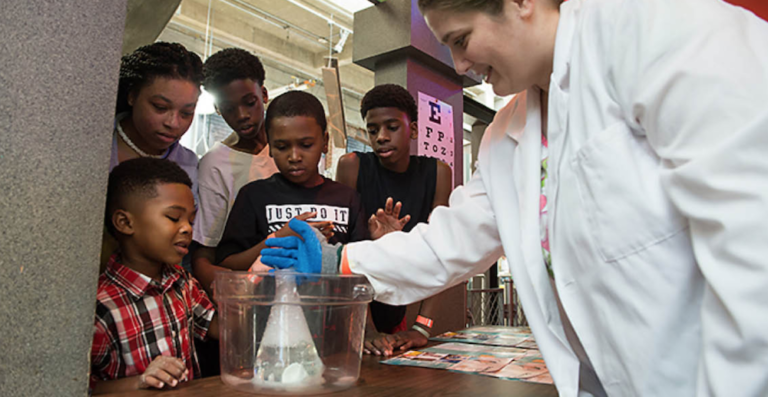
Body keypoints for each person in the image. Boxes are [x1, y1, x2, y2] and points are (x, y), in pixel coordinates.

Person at [260, 0, 768, 396]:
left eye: (462, 39)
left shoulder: (655, 31)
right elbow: (449, 243)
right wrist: (340, 261)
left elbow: (752, 236)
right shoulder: (508, 132)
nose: (459, 64)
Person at [336, 84, 452, 356]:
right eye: (373, 130)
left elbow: (441, 251)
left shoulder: (437, 173)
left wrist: (422, 327)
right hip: (352, 310)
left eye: (391, 127)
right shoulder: (352, 165)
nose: (381, 137)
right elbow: (343, 250)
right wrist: (365, 328)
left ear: (412, 130)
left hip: (398, 307)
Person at [91, 158, 218, 394]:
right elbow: (84, 388)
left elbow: (218, 328)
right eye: (173, 217)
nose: (187, 228)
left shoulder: (182, 282)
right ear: (125, 222)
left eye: (191, 220)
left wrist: (250, 284)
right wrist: (140, 382)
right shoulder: (101, 305)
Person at [215, 90, 367, 271]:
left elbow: (363, 263)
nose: (294, 157)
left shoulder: (347, 198)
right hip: (274, 297)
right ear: (270, 147)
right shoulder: (254, 196)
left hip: (332, 298)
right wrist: (279, 238)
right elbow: (228, 263)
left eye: (306, 145)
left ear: (325, 142)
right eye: (282, 147)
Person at [102, 42, 203, 271]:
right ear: (132, 96)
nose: (173, 123)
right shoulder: (95, 148)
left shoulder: (188, 164)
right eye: (160, 107)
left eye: (186, 113)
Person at [192, 48, 278, 296]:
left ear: (263, 94)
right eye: (229, 108)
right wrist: (233, 295)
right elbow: (204, 255)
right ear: (218, 110)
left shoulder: (293, 148)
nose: (242, 115)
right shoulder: (215, 165)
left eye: (249, 103)